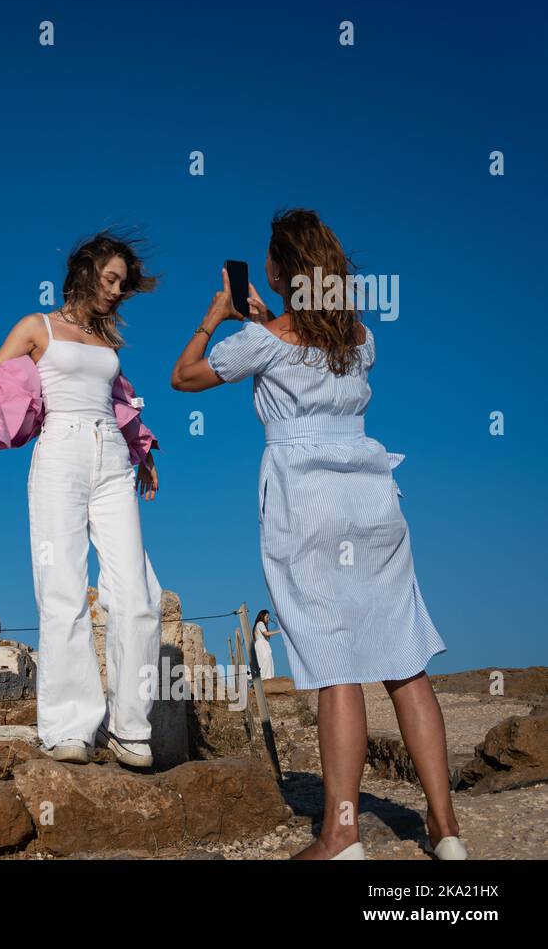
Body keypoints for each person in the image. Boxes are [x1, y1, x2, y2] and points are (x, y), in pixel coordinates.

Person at [169, 208, 467, 861]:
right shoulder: (360, 338)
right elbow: (304, 359)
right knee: (403, 661)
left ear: (277, 268)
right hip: (372, 496)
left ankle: (341, 834)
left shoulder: (264, 337)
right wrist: (260, 320)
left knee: (337, 667)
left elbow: (184, 375)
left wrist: (218, 313)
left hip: (309, 502)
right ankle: (446, 831)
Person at [0, 231, 163, 769]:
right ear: (84, 272)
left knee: (136, 592)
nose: (115, 291)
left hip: (110, 459)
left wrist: (143, 453)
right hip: (59, 452)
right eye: (110, 279)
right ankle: (69, 727)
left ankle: (131, 728)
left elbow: (122, 404)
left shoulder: (108, 342)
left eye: (122, 285)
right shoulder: (37, 327)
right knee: (62, 589)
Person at [253, 608, 280, 680]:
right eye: (267, 617)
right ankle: (264, 678)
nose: (268, 619)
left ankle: (265, 678)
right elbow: (266, 633)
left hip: (262, 645)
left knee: (266, 661)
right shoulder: (260, 623)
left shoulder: (259, 624)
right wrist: (279, 631)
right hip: (261, 645)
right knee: (265, 660)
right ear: (262, 616)